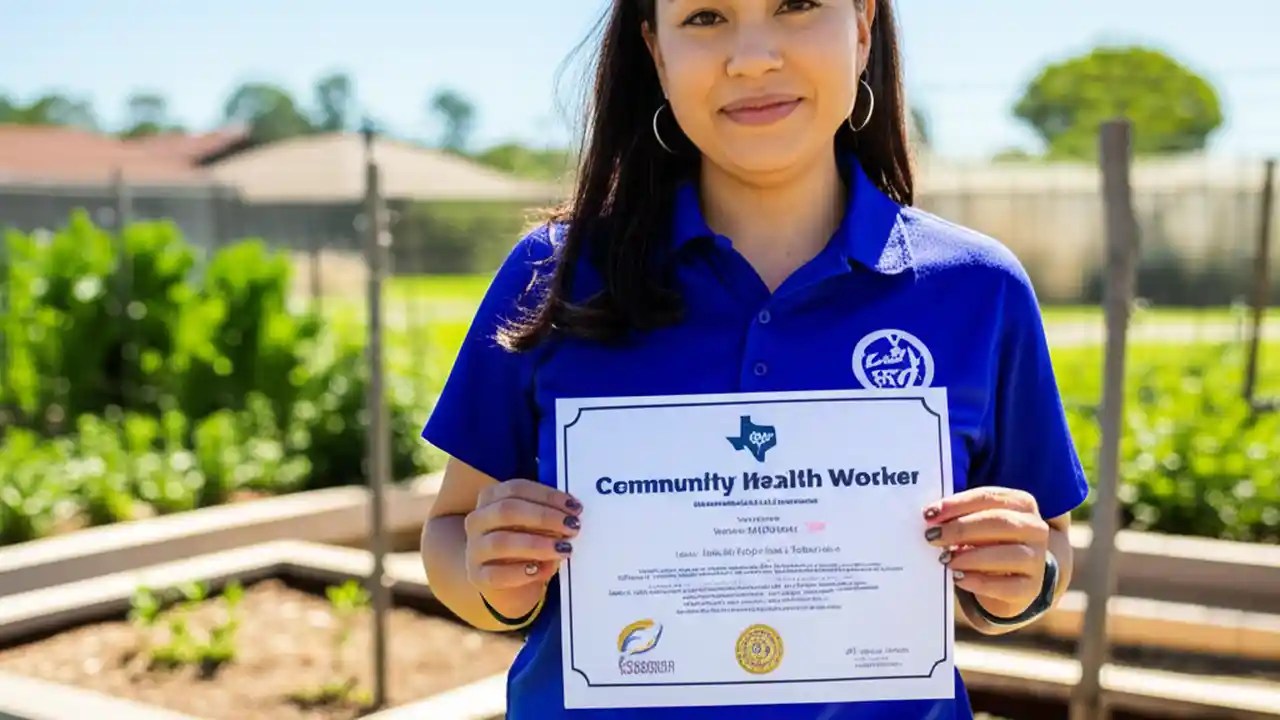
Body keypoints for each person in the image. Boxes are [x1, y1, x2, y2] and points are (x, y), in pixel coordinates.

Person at [420, 0, 1089, 717]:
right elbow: (449, 532)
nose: (753, 56)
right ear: (656, 51)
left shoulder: (977, 288)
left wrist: (1024, 578)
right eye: (706, 17)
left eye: (796, 5)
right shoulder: (553, 276)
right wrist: (491, 577)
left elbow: (1046, 545)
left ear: (862, 27)